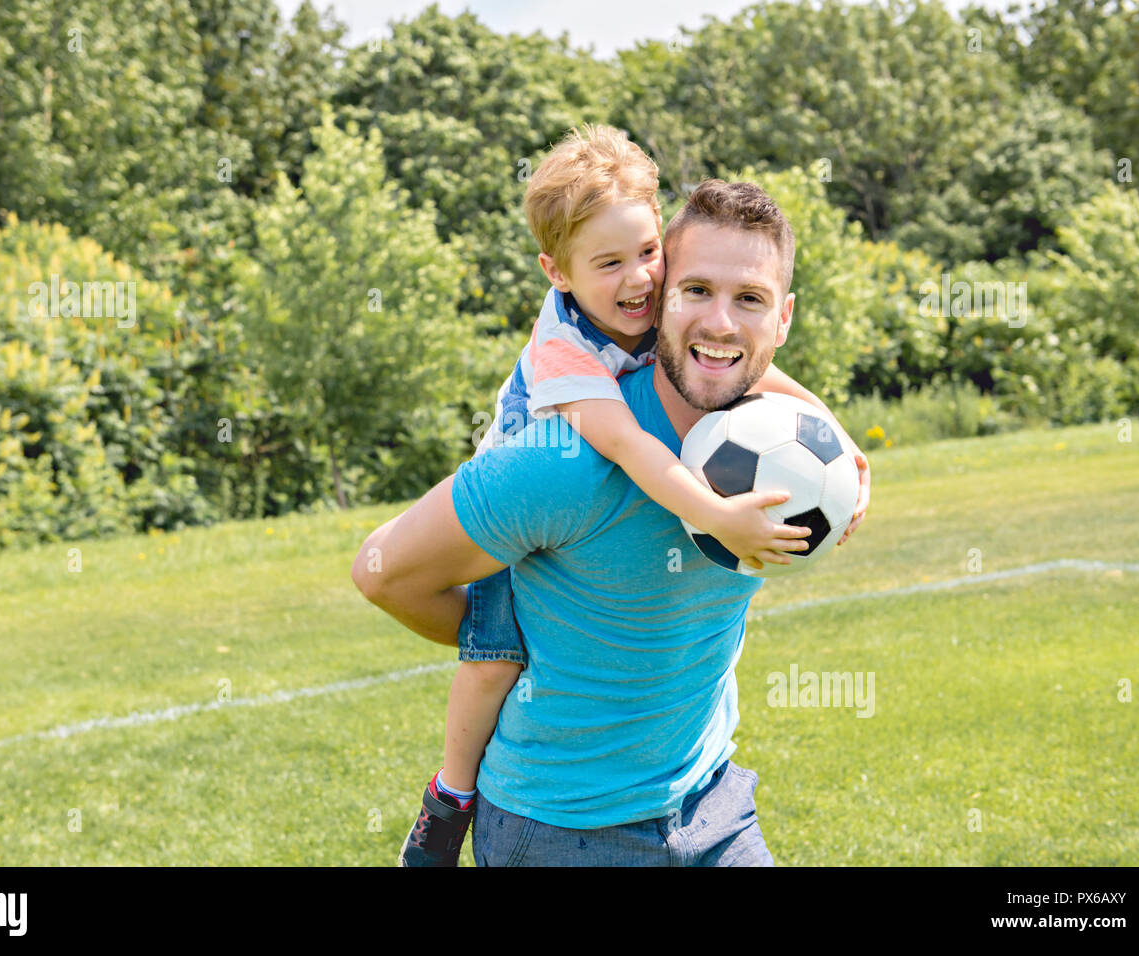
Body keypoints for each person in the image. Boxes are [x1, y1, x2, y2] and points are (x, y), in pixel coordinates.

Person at [352, 177, 870, 866]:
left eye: (749, 299)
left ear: (783, 318)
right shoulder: (561, 458)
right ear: (661, 304)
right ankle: (446, 804)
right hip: (564, 830)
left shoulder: (795, 455)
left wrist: (847, 450)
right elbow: (381, 572)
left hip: (711, 802)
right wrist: (520, 646)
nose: (720, 323)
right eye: (697, 292)